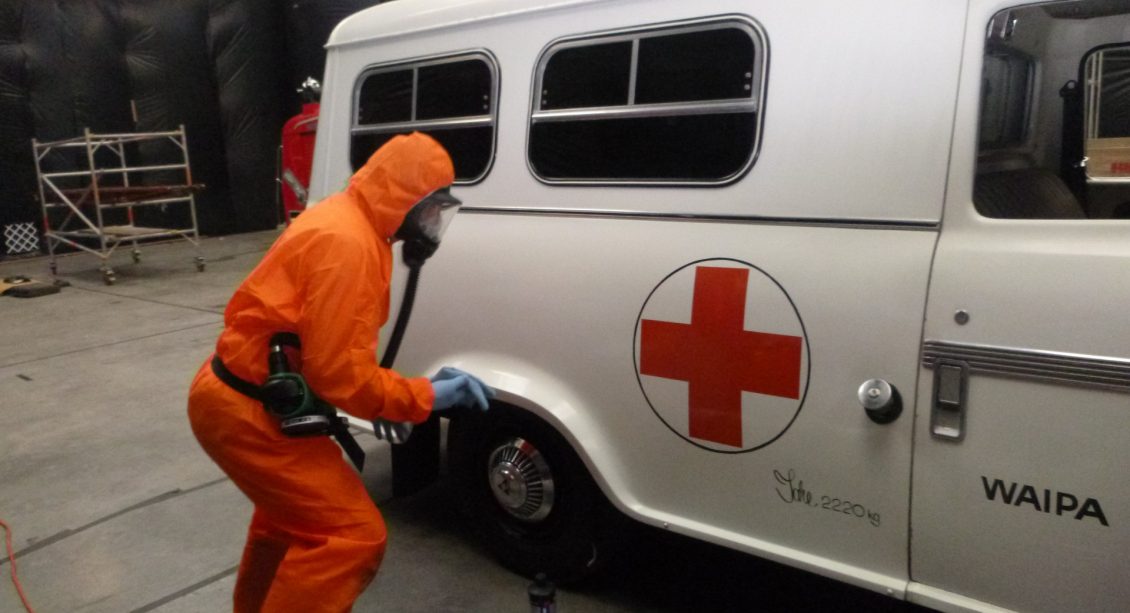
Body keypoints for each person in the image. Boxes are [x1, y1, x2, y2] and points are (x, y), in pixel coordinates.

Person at [187, 132, 494, 612]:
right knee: (351, 537)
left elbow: (329, 353)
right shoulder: (349, 244)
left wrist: (400, 393)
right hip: (248, 412)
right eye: (433, 207)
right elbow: (338, 376)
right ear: (406, 197)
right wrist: (424, 398)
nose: (435, 222)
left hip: (241, 396)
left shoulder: (350, 221)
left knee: (286, 525)